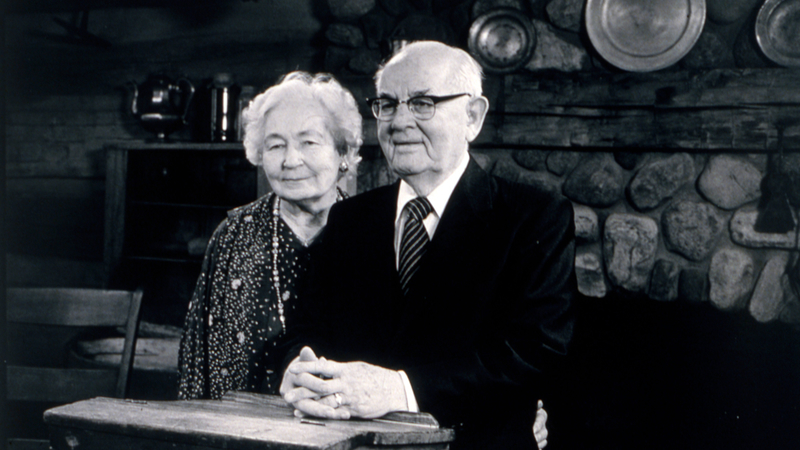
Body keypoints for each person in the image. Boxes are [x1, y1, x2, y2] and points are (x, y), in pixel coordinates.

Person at [280, 41, 575, 449]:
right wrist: (299, 370)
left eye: (423, 103)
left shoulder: (533, 216)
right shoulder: (350, 218)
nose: (399, 121)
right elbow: (305, 330)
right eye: (387, 104)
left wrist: (399, 389)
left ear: (473, 117)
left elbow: (535, 353)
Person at [177, 71, 362, 400]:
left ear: (343, 153)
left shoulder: (369, 232)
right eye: (276, 145)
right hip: (241, 420)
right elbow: (199, 360)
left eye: (308, 142)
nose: (291, 160)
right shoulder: (234, 234)